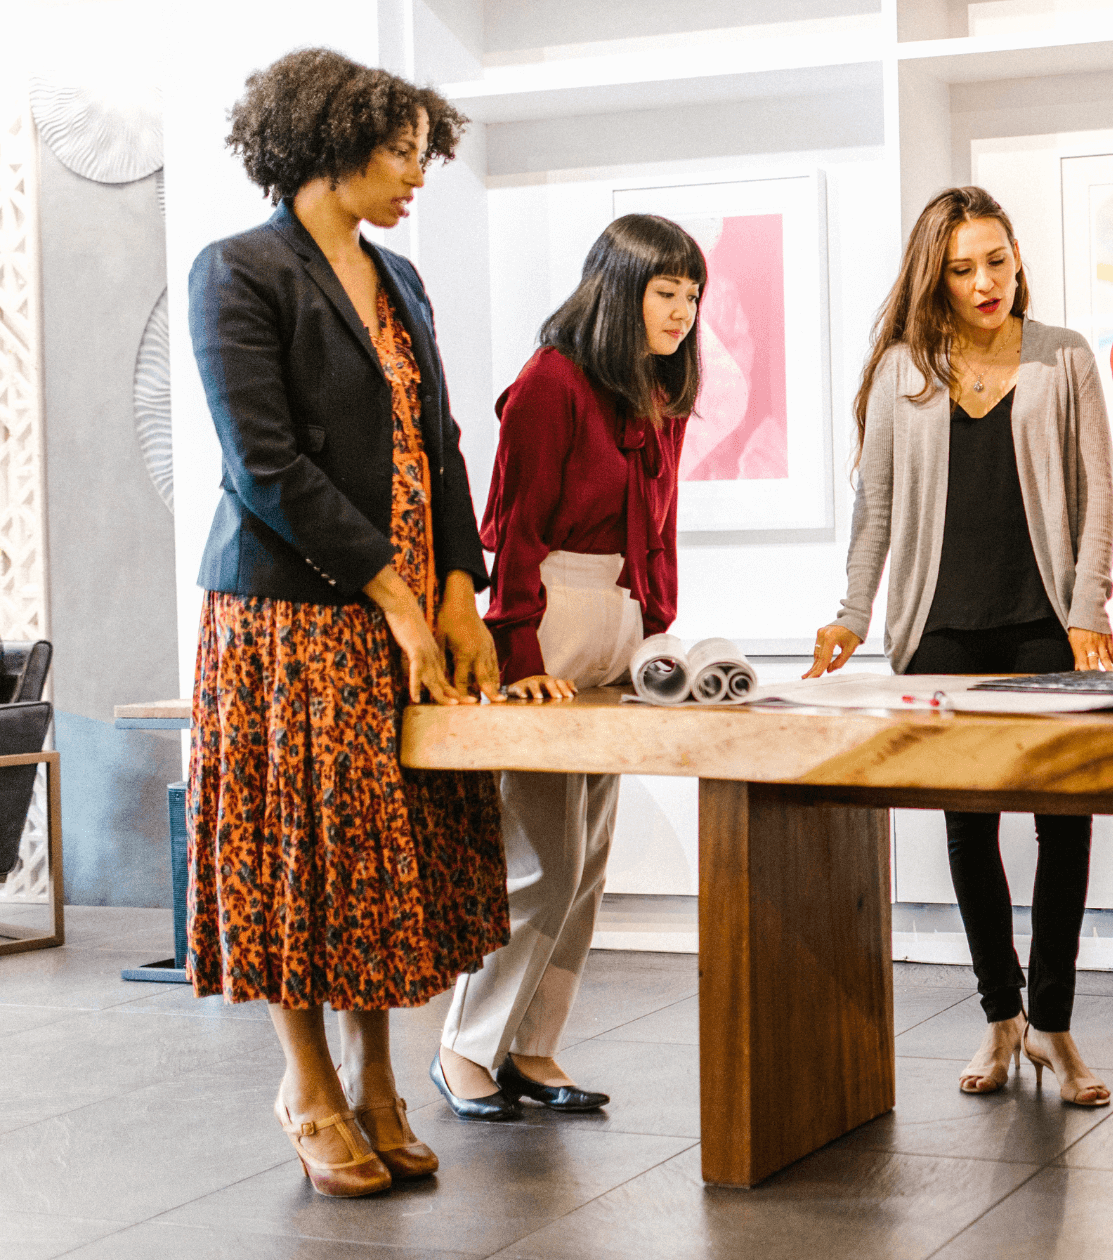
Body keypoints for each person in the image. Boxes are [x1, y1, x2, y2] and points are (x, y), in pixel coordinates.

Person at [185, 49, 506, 1197]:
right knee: (302, 862)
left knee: (388, 857)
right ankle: (308, 1082)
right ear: (331, 136)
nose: (418, 171)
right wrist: (393, 594)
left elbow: (442, 444)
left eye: (425, 150)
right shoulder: (237, 271)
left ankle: (380, 1077)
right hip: (291, 619)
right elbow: (261, 462)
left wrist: (461, 591)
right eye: (402, 148)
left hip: (409, 611)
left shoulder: (401, 279)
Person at [806, 186, 1113, 1106]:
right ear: (934, 278)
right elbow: (878, 510)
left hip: (1044, 626)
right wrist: (852, 616)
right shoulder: (907, 368)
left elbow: (1100, 493)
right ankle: (1001, 1016)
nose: (987, 281)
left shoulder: (1064, 357)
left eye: (998, 259)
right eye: (963, 267)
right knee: (967, 829)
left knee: (1064, 824)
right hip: (939, 633)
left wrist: (1089, 606)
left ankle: (1055, 1028)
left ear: (1018, 257)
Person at [432, 215, 703, 1121]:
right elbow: (512, 526)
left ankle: (534, 1047)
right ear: (620, 291)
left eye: (692, 295)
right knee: (539, 857)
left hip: (616, 633)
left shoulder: (656, 393)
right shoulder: (552, 381)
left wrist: (656, 637)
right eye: (666, 292)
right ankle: (467, 1049)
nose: (682, 311)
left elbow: (656, 536)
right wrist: (514, 656)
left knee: (587, 860)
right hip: (542, 625)